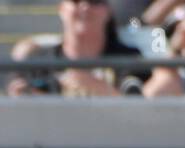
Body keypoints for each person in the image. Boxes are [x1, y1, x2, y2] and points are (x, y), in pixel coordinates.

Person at [8, 0, 146, 97]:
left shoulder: (130, 60)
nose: (85, 6)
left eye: (94, 1)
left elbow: (139, 111)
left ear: (108, 10)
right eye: (75, 0)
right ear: (61, 9)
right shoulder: (38, 63)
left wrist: (90, 83)